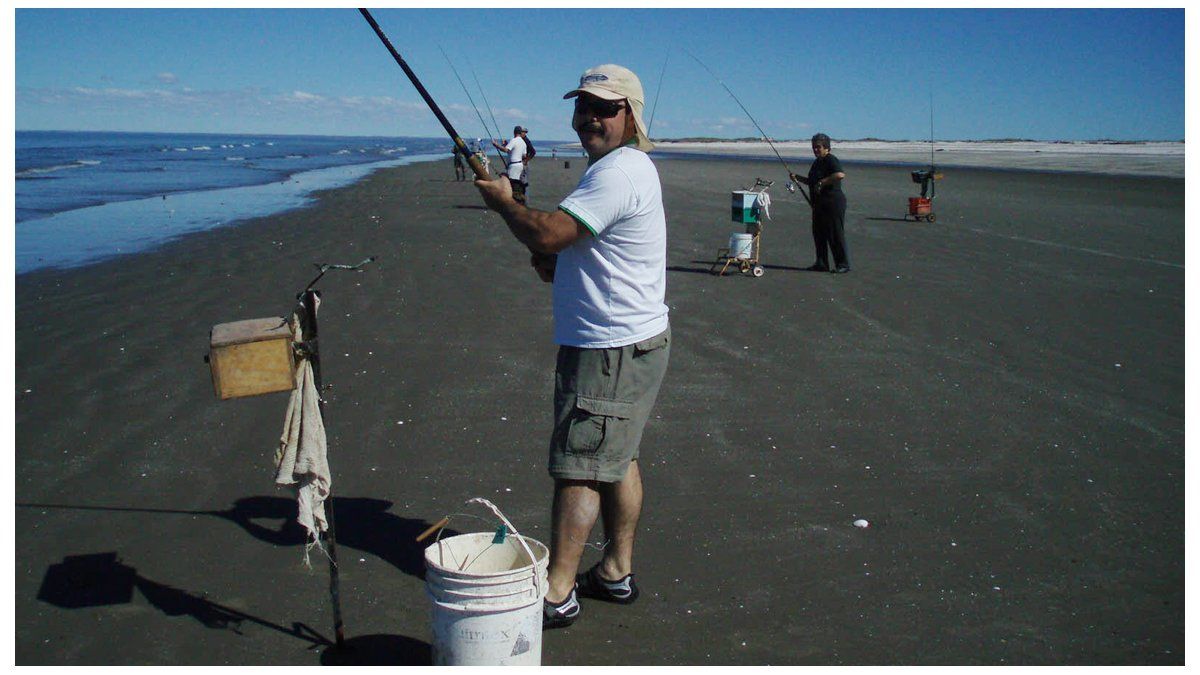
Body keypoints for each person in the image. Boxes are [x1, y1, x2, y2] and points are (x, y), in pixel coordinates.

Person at [474, 64, 670, 630]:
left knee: (580, 465)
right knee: (616, 457)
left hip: (609, 349)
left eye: (604, 107)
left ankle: (556, 593)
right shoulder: (619, 169)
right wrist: (560, 266)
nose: (589, 117)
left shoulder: (619, 172)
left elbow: (549, 232)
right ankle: (615, 570)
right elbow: (586, 245)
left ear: (631, 115)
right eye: (583, 106)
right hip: (631, 341)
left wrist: (504, 203)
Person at [790, 133, 849, 273]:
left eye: (818, 147)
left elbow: (840, 174)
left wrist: (823, 182)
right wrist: (797, 178)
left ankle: (842, 264)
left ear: (826, 147)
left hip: (832, 202)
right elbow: (812, 182)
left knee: (835, 233)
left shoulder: (830, 159)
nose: (815, 150)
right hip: (818, 204)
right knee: (819, 234)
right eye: (814, 147)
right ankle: (821, 263)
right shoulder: (817, 162)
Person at [493, 126, 529, 203]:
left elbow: (505, 150)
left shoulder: (514, 140)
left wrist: (496, 145)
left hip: (513, 165)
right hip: (520, 165)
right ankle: (517, 199)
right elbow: (524, 156)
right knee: (517, 183)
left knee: (511, 183)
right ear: (520, 133)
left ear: (514, 132)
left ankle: (513, 201)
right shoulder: (523, 142)